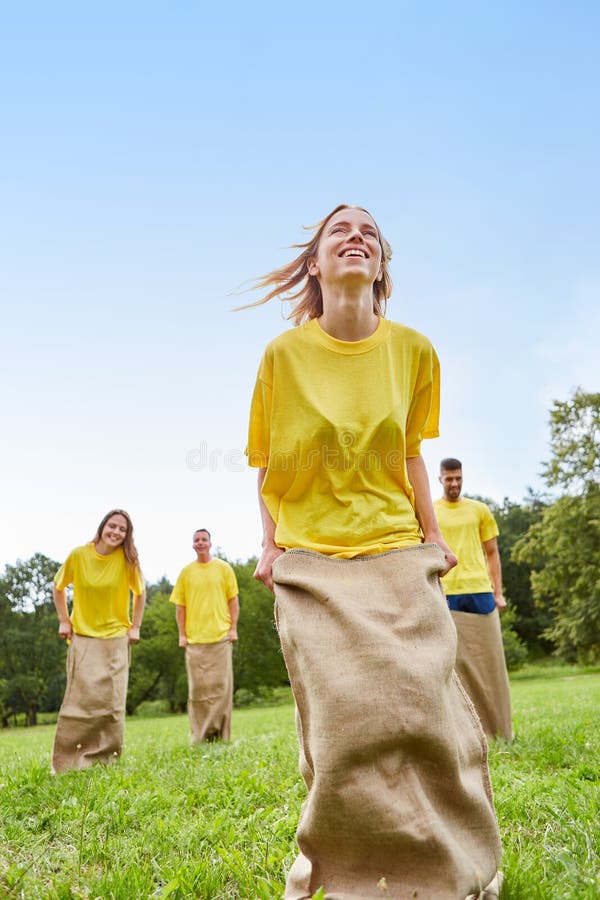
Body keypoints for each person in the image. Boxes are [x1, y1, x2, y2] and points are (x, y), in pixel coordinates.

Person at [245, 205, 502, 899]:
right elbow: (266, 463)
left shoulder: (414, 351)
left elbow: (410, 453)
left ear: (381, 265)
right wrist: (269, 544)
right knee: (342, 719)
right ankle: (343, 870)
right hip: (314, 555)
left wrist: (433, 534)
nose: (357, 237)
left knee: (421, 702)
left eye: (370, 233)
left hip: (393, 544)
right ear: (315, 264)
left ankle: (452, 859)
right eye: (341, 230)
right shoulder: (283, 357)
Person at [51, 508, 146, 773]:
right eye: (112, 526)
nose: (116, 532)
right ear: (103, 526)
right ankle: (68, 761)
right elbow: (58, 587)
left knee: (112, 702)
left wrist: (135, 626)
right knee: (80, 700)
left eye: (122, 529)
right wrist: (64, 620)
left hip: (115, 637)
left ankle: (106, 759)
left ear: (127, 535)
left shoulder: (128, 560)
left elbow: (140, 593)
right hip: (83, 636)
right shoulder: (79, 555)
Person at [434, 458, 513, 742]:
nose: (454, 483)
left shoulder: (479, 510)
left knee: (490, 660)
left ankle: (501, 729)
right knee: (453, 664)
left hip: (479, 590)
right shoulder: (430, 512)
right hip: (447, 592)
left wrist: (498, 592)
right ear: (440, 479)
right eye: (449, 479)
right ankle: (464, 733)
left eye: (458, 478)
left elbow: (492, 553)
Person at [170, 528, 239, 743]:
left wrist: (233, 628)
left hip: (221, 637)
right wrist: (182, 634)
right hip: (195, 640)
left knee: (222, 689)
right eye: (196, 540)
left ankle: (222, 736)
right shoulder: (186, 572)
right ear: (193, 545)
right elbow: (180, 607)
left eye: (204, 539)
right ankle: (200, 736)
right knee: (198, 691)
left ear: (210, 543)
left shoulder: (224, 568)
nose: (200, 543)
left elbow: (233, 601)